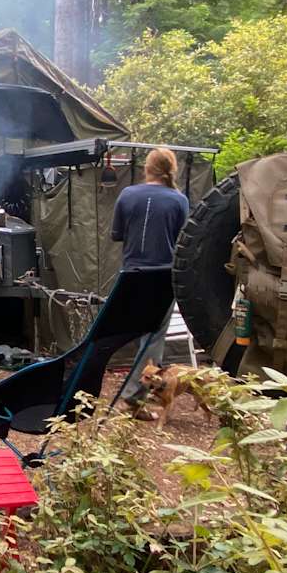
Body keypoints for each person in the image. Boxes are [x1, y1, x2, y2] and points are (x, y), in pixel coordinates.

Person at [109, 148, 190, 406]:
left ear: (147, 168)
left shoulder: (127, 195)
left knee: (116, 331)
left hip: (131, 275)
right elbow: (182, 241)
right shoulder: (179, 200)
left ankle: (138, 390)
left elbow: (116, 234)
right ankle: (135, 395)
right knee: (153, 337)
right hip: (162, 279)